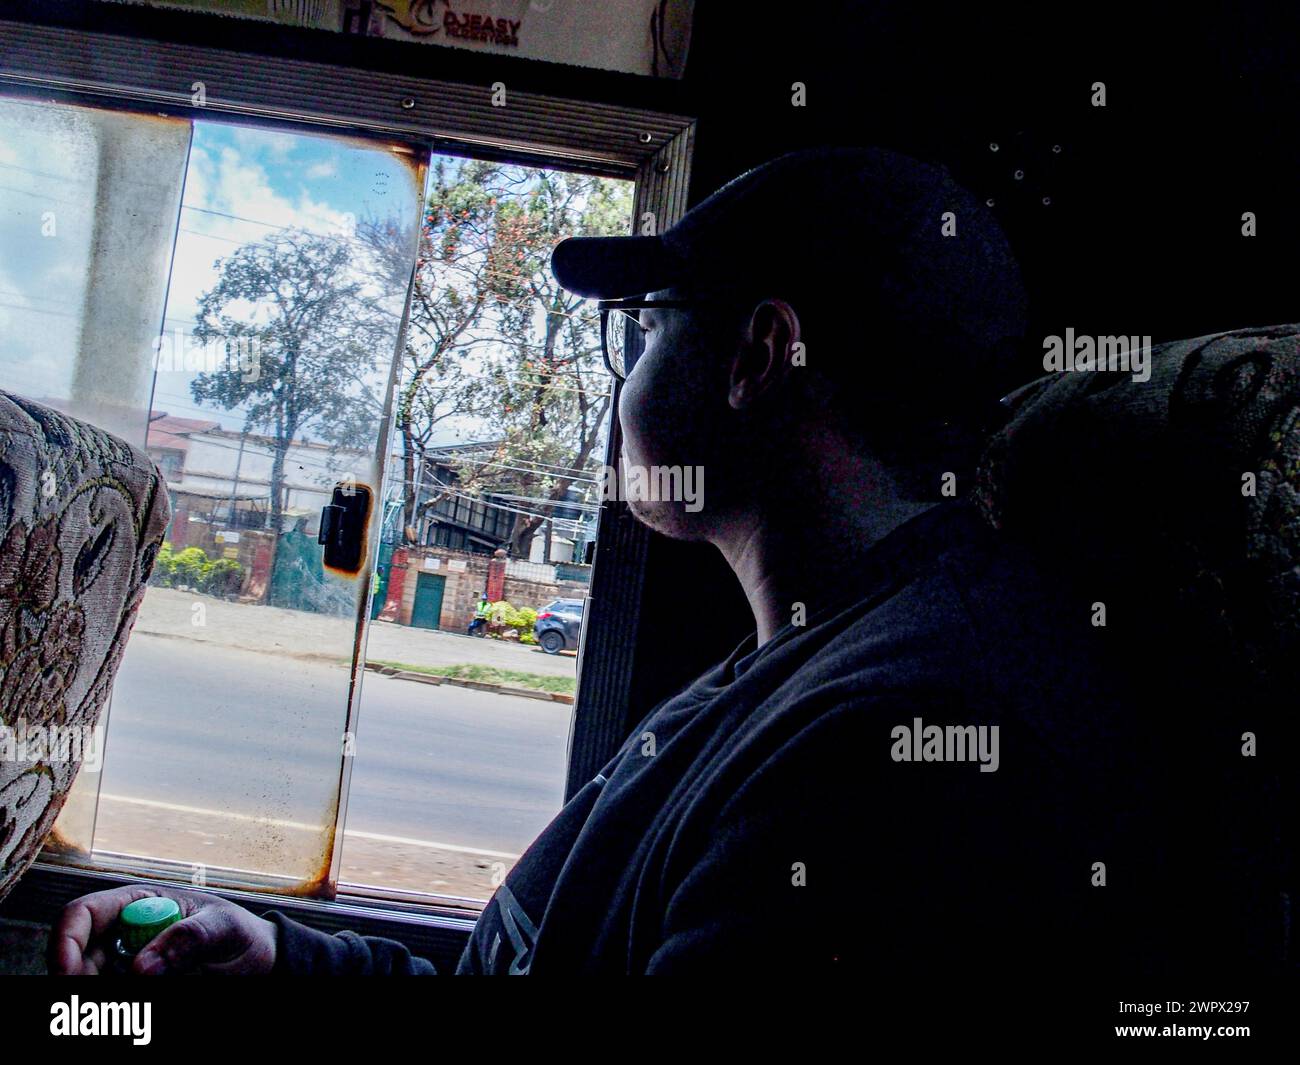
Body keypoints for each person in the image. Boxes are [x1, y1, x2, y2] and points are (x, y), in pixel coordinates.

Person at [48, 147, 1272, 976]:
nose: (621, 379)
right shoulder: (812, 657)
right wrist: (286, 956)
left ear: (757, 356)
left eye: (644, 331)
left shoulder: (907, 742)